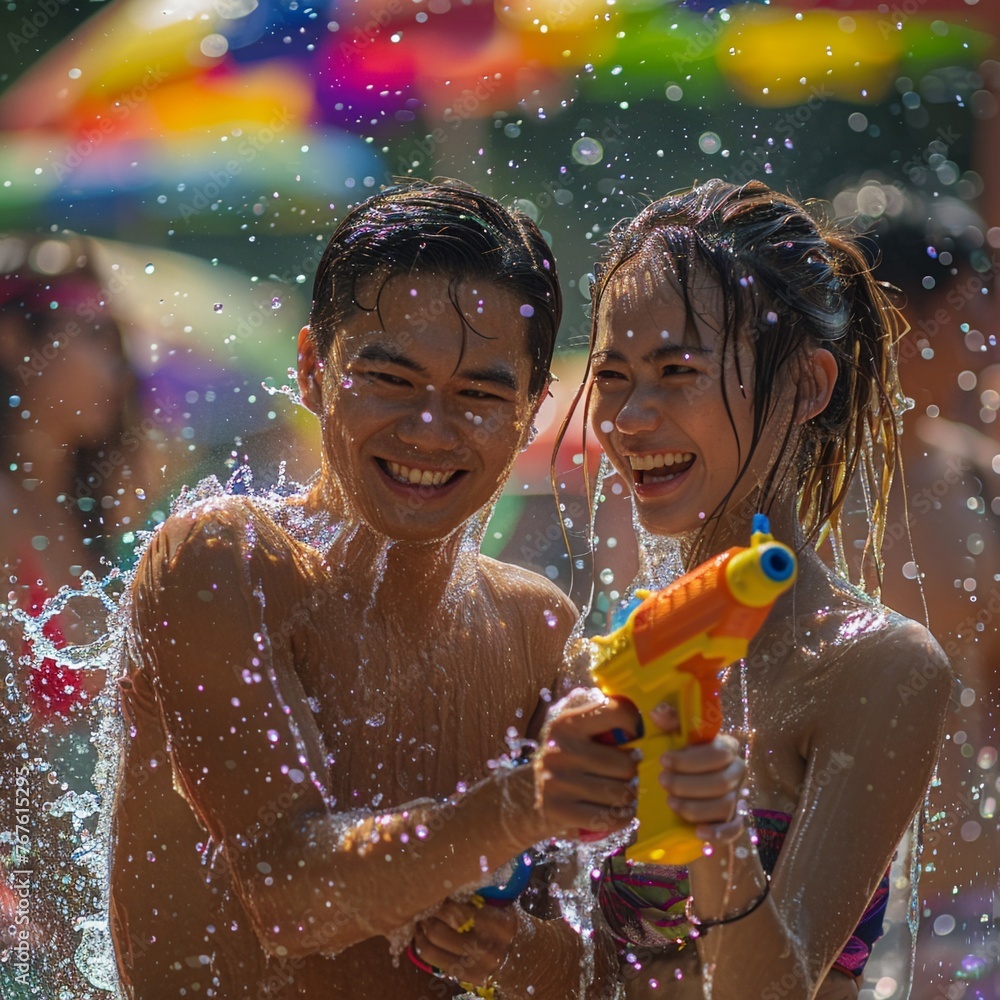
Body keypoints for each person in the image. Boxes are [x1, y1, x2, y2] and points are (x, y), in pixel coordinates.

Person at [109, 179, 743, 999]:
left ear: (529, 410)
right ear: (311, 370)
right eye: (391, 381)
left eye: (479, 393)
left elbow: (612, 980)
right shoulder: (224, 562)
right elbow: (287, 895)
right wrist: (524, 805)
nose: (429, 429)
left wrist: (525, 951)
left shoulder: (535, 628)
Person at [565, 178, 953, 998]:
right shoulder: (592, 657)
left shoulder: (879, 667)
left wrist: (713, 835)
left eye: (678, 370)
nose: (630, 418)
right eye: (612, 376)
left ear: (810, 385)